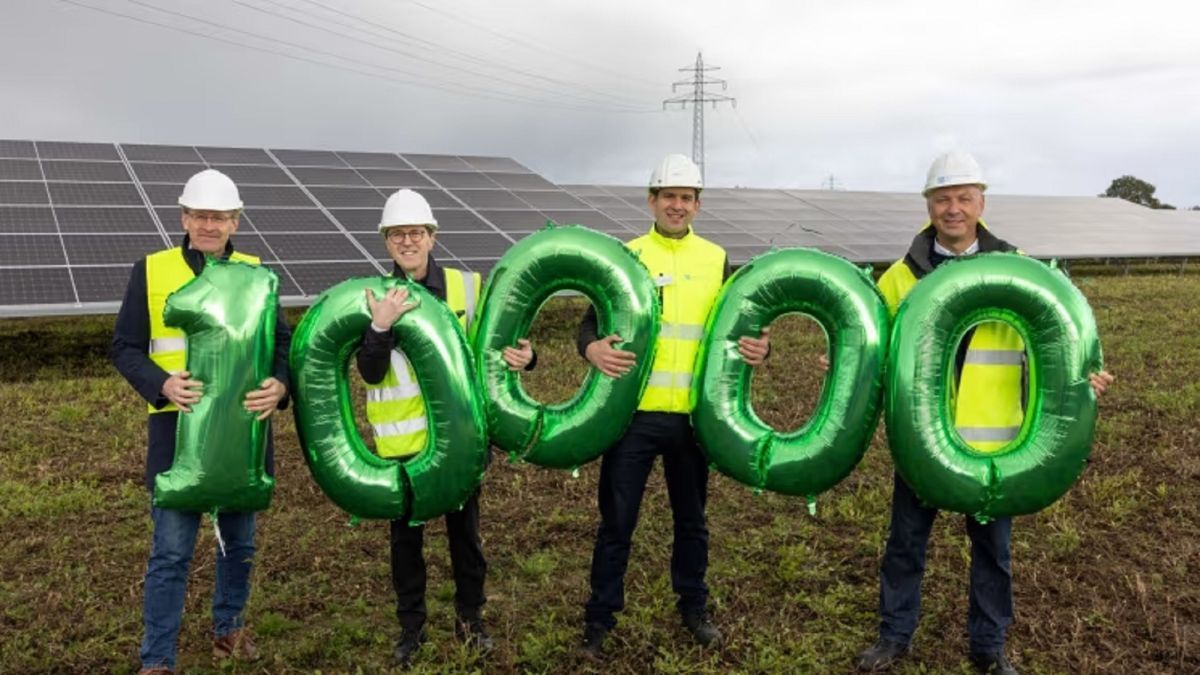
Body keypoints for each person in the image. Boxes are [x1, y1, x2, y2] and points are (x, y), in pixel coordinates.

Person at [856, 151, 1114, 674]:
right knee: (905, 544)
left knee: (993, 554)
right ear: (928, 205)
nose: (953, 208)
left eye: (964, 198)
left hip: (999, 443)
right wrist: (848, 359)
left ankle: (989, 648)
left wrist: (1084, 378)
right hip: (921, 442)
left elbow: (1059, 347)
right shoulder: (900, 278)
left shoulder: (1022, 271)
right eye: (942, 199)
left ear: (981, 203)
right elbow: (874, 349)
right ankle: (894, 636)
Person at [576, 154, 771, 658]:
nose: (677, 205)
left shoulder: (716, 258)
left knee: (692, 521)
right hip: (634, 417)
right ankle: (599, 618)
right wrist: (590, 348)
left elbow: (742, 327)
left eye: (686, 197)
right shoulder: (627, 255)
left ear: (698, 205)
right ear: (652, 200)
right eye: (669, 196)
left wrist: (761, 347)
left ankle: (693, 608)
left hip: (692, 418)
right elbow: (589, 321)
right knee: (617, 523)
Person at [111, 169, 291, 675]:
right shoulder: (152, 270)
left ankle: (228, 630)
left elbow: (282, 343)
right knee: (171, 552)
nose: (209, 225)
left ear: (236, 222)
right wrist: (162, 384)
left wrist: (281, 385)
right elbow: (124, 347)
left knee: (240, 544)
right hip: (177, 434)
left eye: (220, 217)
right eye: (200, 216)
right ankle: (158, 659)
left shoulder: (258, 273)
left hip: (242, 434)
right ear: (184, 218)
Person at [356, 188, 535, 667]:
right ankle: (411, 629)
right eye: (397, 234)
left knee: (465, 537)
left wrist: (527, 356)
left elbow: (496, 350)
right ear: (386, 242)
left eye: (415, 232)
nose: (407, 242)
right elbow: (370, 372)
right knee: (405, 543)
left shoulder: (467, 288)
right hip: (401, 443)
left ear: (432, 237)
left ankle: (471, 621)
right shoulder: (372, 296)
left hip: (460, 440)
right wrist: (379, 328)